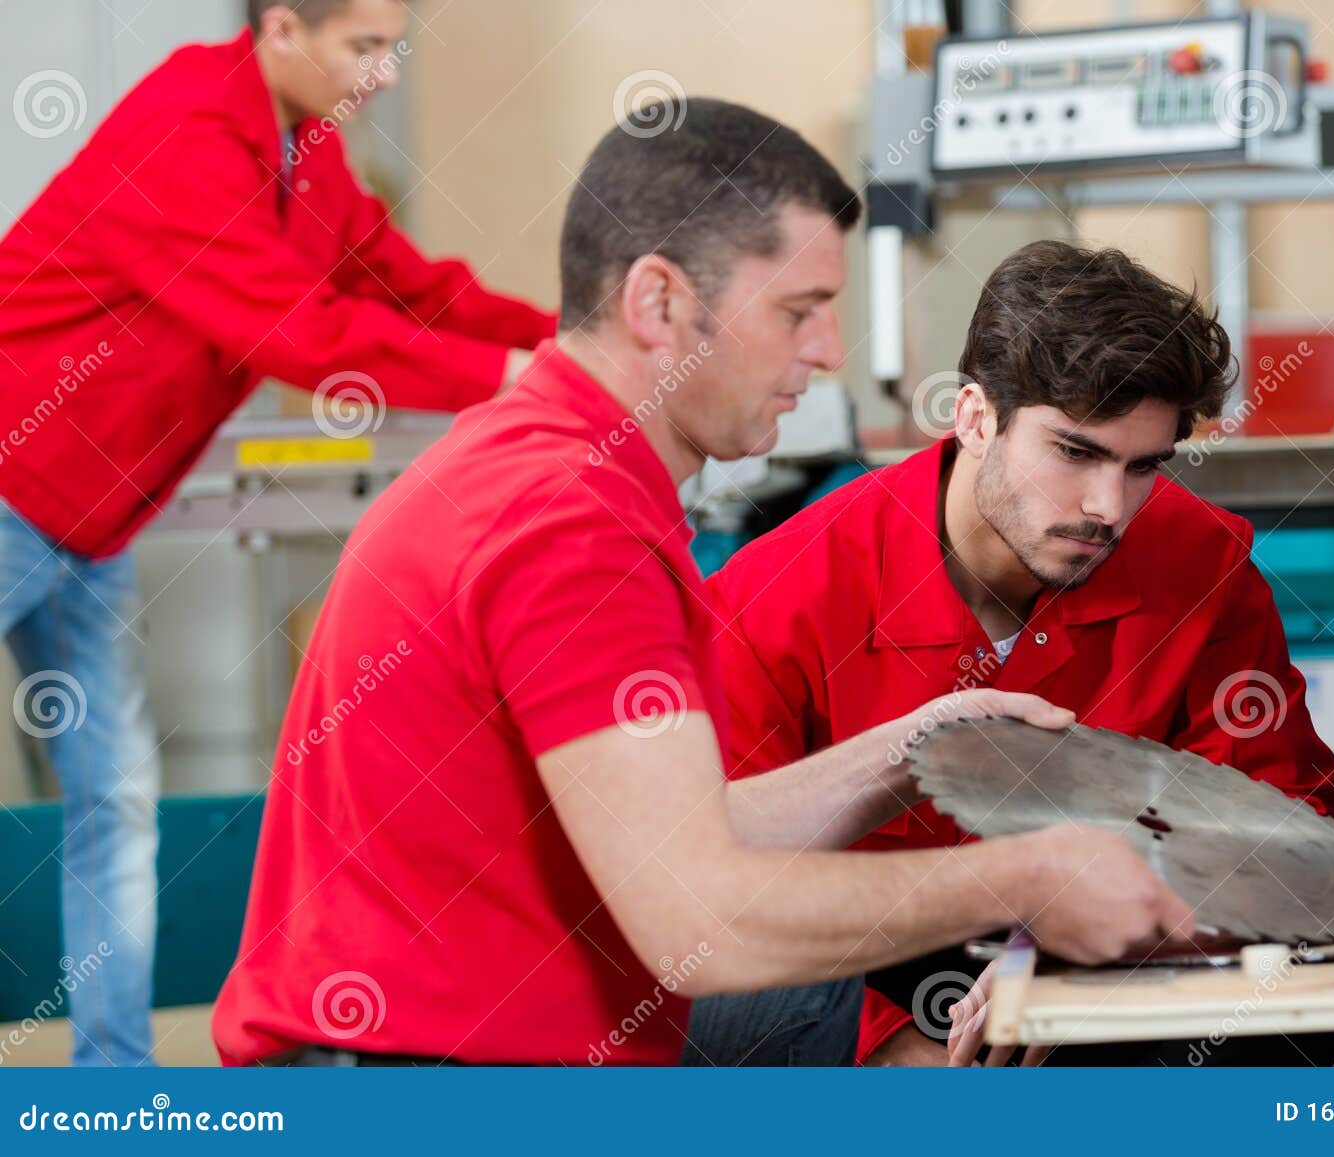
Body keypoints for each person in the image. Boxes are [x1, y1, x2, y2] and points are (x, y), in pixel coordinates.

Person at [211, 99, 1198, 1067]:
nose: (826, 351)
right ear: (658, 302)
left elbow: (664, 832)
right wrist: (1025, 874)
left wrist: (911, 749)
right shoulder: (568, 524)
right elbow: (704, 916)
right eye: (799, 312)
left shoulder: (550, 470)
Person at [0, 0, 553, 1066]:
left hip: (96, 521)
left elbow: (403, 284)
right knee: (110, 803)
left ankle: (109, 1082)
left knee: (114, 804)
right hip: (11, 485)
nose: (385, 74)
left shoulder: (307, 148)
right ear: (283, 28)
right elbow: (302, 333)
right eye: (365, 48)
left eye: (394, 48)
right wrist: (505, 380)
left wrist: (567, 344)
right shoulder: (186, 134)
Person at [695, 239, 1334, 1066]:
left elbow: (1296, 835)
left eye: (1143, 465)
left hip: (1101, 973)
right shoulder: (779, 593)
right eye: (1075, 453)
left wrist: (1089, 946)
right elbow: (703, 885)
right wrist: (899, 1055)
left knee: (1297, 995)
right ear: (975, 416)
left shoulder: (1203, 565)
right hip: (859, 977)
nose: (1107, 507)